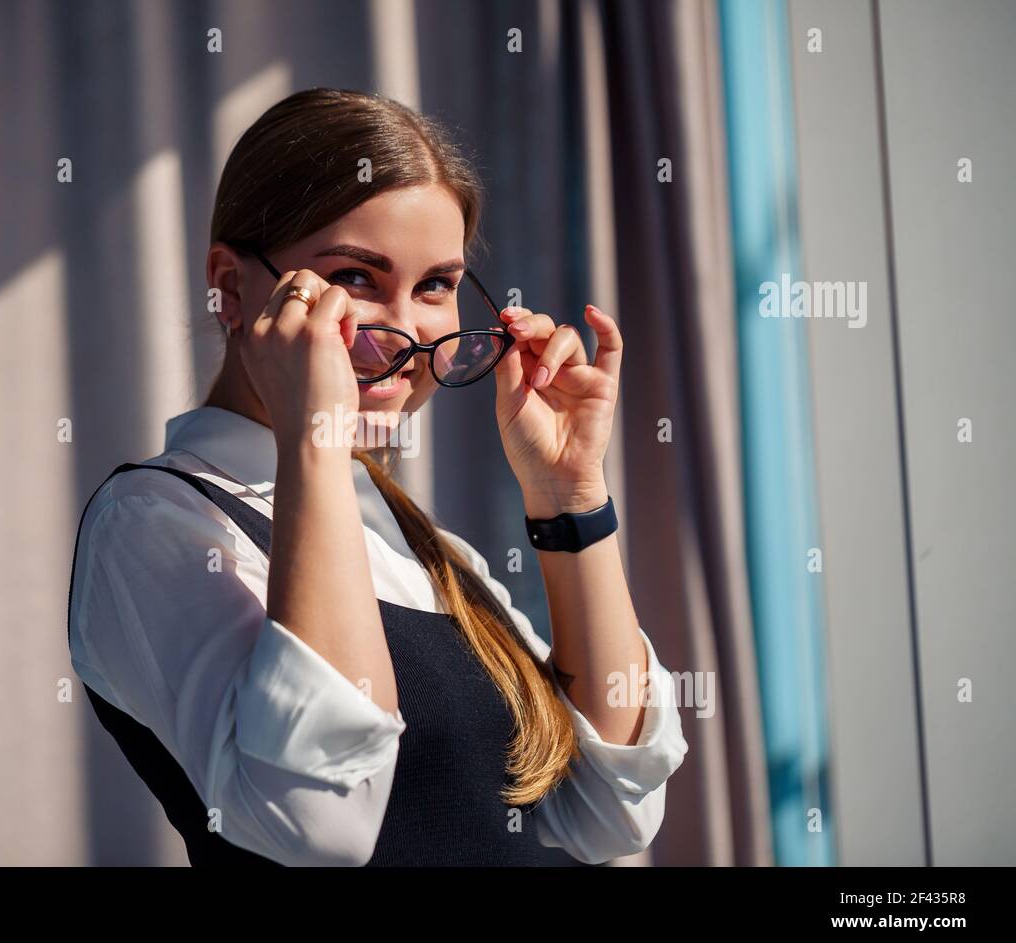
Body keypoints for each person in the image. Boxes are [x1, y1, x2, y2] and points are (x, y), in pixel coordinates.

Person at [67, 87, 688, 866]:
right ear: (229, 284)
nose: (409, 330)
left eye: (435, 285)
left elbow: (611, 814)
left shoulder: (431, 550)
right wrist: (316, 440)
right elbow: (320, 825)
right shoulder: (154, 520)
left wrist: (570, 501)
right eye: (358, 277)